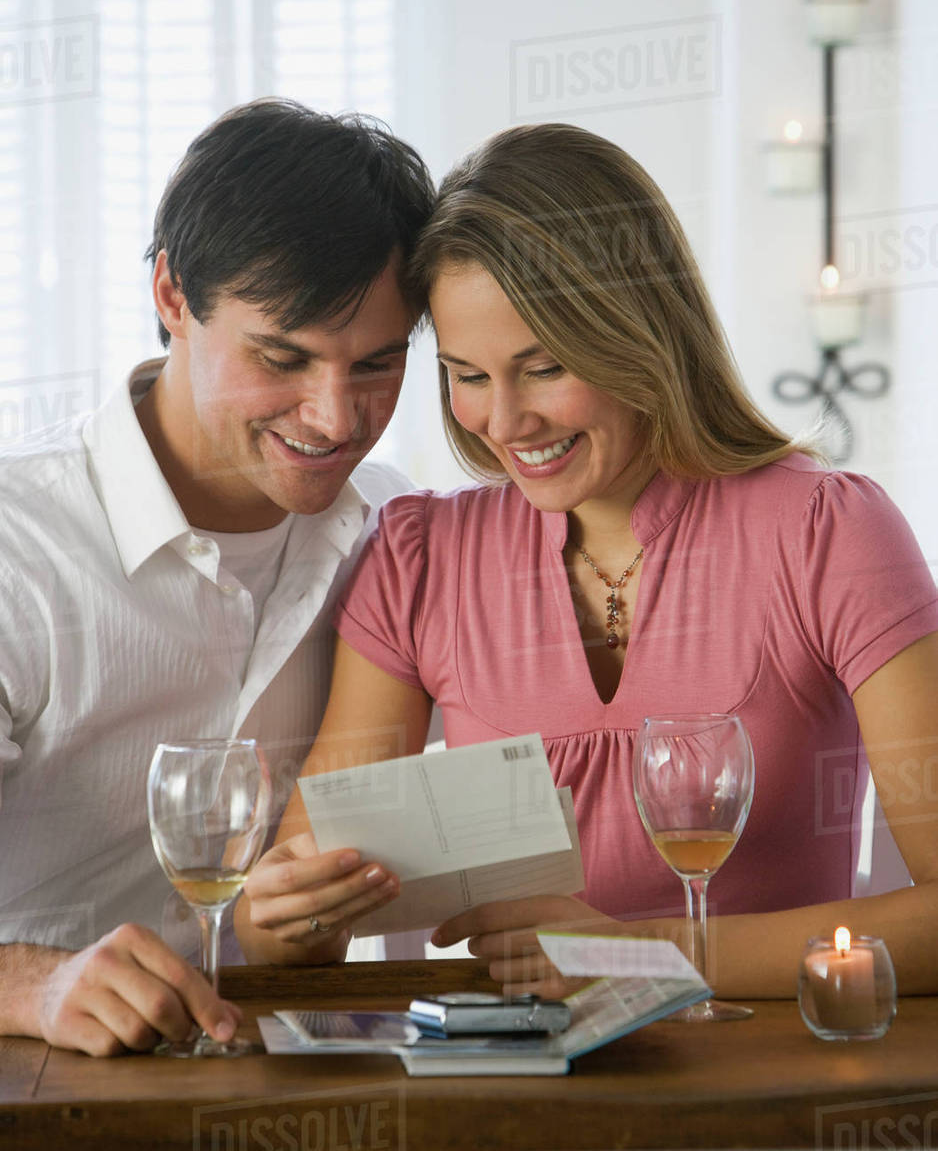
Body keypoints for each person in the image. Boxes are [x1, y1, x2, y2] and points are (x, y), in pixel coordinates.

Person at [238, 123, 938, 999]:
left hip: (764, 1094)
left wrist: (644, 956)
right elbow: (296, 925)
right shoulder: (419, 560)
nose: (503, 422)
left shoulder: (829, 533)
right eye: (468, 374)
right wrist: (275, 918)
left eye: (544, 367)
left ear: (640, 334)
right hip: (493, 1098)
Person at [0, 98, 435, 1055]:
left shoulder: (393, 531)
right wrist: (35, 987)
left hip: (278, 1085)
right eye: (283, 358)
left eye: (377, 364)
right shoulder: (16, 548)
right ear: (171, 296)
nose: (333, 420)